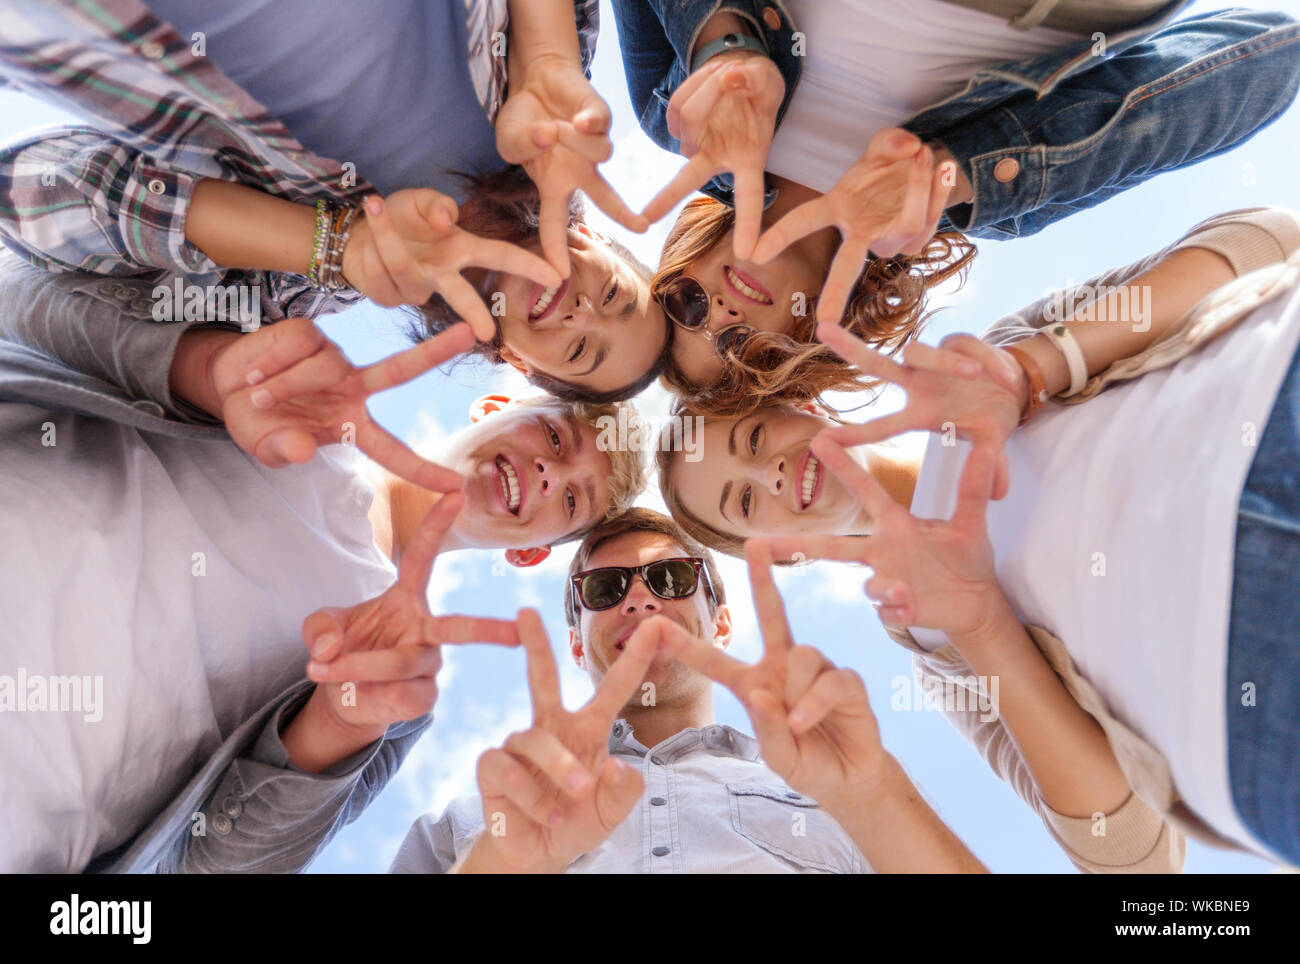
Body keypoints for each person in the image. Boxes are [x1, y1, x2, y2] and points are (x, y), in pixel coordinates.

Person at [663, 204, 1300, 865]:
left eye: (756, 438)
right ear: (778, 555)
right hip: (1251, 694)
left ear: (806, 406)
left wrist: (1032, 368)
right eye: (742, 501)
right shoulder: (939, 647)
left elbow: (1268, 241)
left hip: (1270, 399)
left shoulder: (987, 360)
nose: (768, 473)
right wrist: (981, 623)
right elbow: (1132, 853)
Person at [0, 267, 526, 871]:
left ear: (533, 553)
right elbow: (27, 296)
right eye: (558, 437)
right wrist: (205, 370)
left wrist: (338, 720)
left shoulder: (398, 704)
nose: (549, 474)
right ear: (496, 405)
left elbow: (215, 864)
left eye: (574, 500)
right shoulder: (304, 381)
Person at [612, 0, 1300, 413]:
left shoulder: (674, 112)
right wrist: (958, 174)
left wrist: (724, 44)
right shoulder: (996, 204)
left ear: (681, 264)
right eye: (741, 349)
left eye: (689, 309)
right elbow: (1268, 59)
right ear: (807, 345)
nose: (724, 316)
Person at [0, 0, 672, 403]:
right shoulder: (559, 76)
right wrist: (548, 57)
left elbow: (32, 194)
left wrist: (331, 243)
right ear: (597, 246)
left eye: (583, 351)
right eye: (614, 297)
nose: (584, 313)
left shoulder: (291, 297)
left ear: (519, 364)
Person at [391, 508, 988, 873]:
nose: (641, 600)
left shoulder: (838, 790)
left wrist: (874, 793)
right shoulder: (469, 828)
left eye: (671, 579)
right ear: (577, 644)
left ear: (721, 622)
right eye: (604, 590)